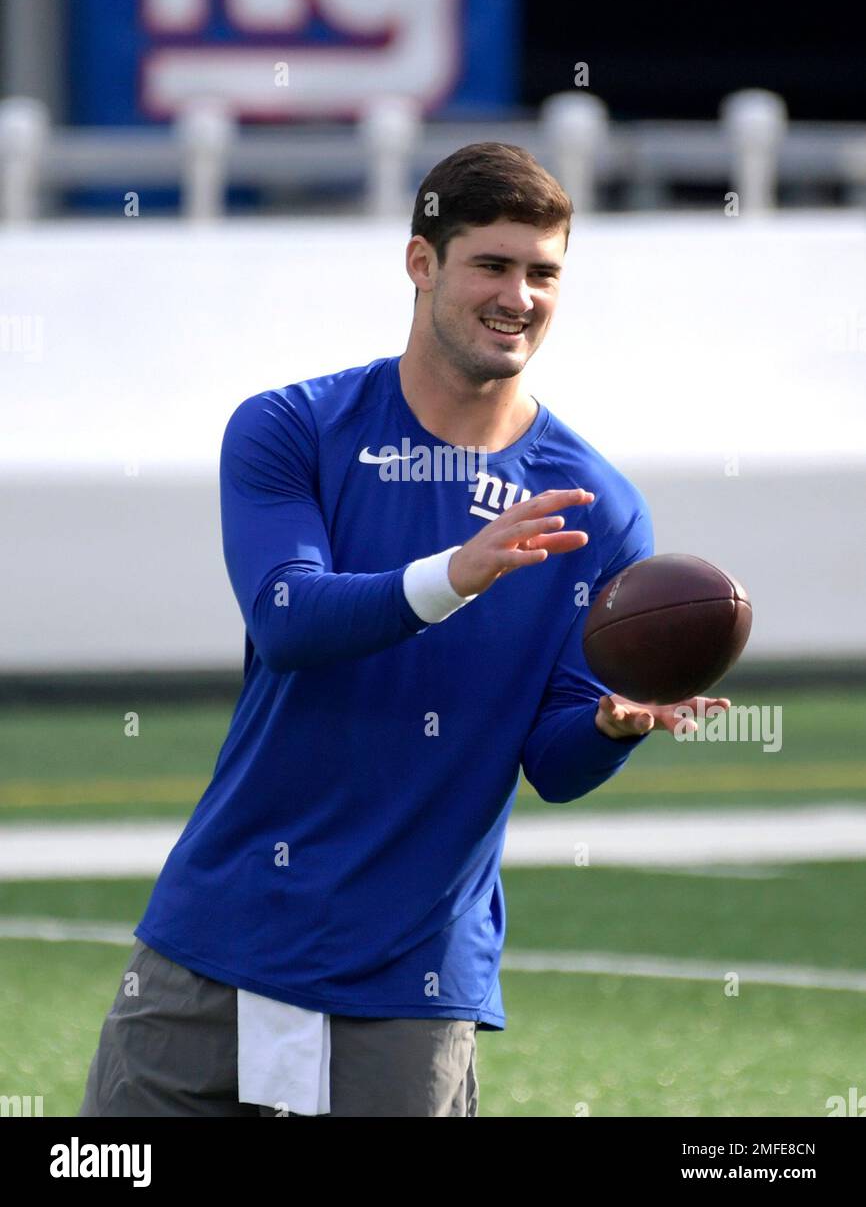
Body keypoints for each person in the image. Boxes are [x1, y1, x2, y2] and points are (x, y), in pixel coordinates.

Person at [79, 141, 729, 1118]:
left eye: (543, 272)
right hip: (215, 942)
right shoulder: (289, 428)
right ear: (420, 262)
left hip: (411, 982)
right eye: (492, 264)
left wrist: (609, 726)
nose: (519, 296)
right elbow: (287, 616)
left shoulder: (596, 505)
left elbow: (550, 762)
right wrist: (451, 575)